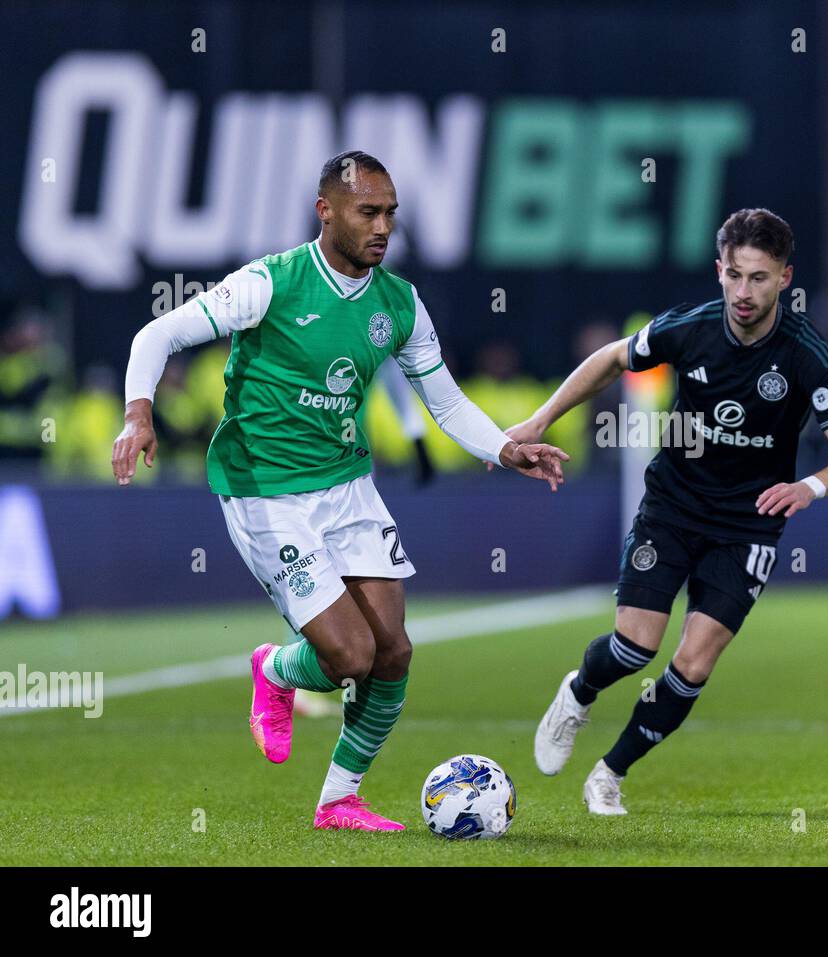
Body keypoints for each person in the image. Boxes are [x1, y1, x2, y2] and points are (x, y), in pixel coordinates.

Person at [111, 151, 568, 830]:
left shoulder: (399, 303)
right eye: (368, 212)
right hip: (264, 486)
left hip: (347, 485)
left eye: (391, 214)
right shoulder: (271, 283)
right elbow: (160, 332)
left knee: (394, 651)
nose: (383, 226)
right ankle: (275, 669)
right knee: (348, 655)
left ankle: (338, 800)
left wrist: (506, 448)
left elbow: (444, 402)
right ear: (326, 211)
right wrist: (138, 413)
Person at [511, 208, 828, 814]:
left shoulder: (808, 354)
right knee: (635, 648)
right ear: (719, 270)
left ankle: (610, 773)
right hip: (673, 508)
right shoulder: (690, 327)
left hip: (749, 524)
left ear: (786, 278)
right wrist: (540, 420)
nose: (742, 292)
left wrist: (808, 487)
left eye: (759, 278)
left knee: (694, 662)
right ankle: (577, 694)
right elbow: (609, 358)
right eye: (733, 275)